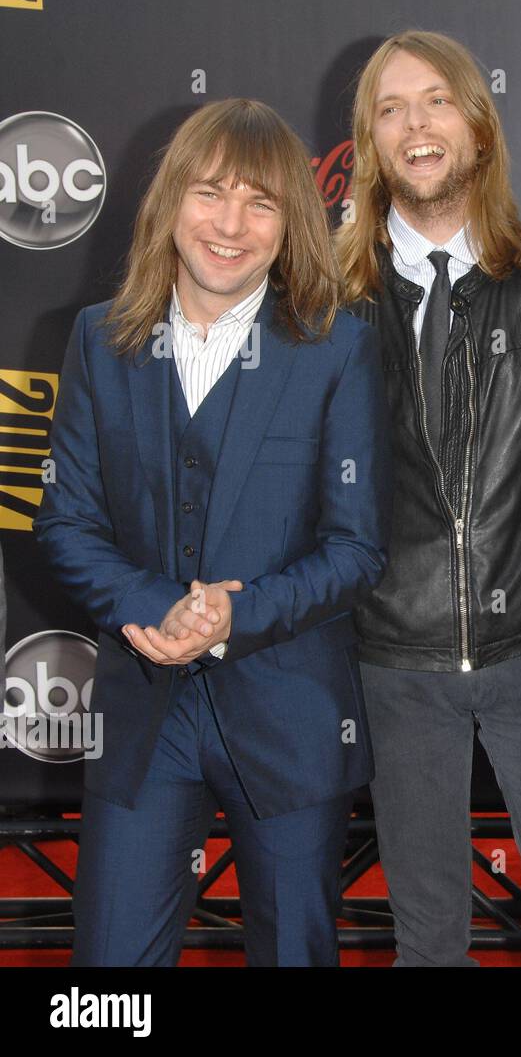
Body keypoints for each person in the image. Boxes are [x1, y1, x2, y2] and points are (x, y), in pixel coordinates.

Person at [34, 98, 392, 966]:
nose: (230, 225)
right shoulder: (99, 339)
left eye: (261, 203)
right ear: (170, 204)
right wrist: (156, 609)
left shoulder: (336, 347)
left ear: (290, 224)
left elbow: (358, 547)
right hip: (143, 717)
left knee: (295, 955)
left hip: (292, 713)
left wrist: (237, 616)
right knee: (110, 974)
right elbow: (67, 521)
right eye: (210, 193)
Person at [337, 31, 521, 967]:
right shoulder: (328, 304)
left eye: (437, 100)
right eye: (391, 108)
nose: (417, 124)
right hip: (391, 660)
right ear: (370, 142)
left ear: (478, 128)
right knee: (429, 940)